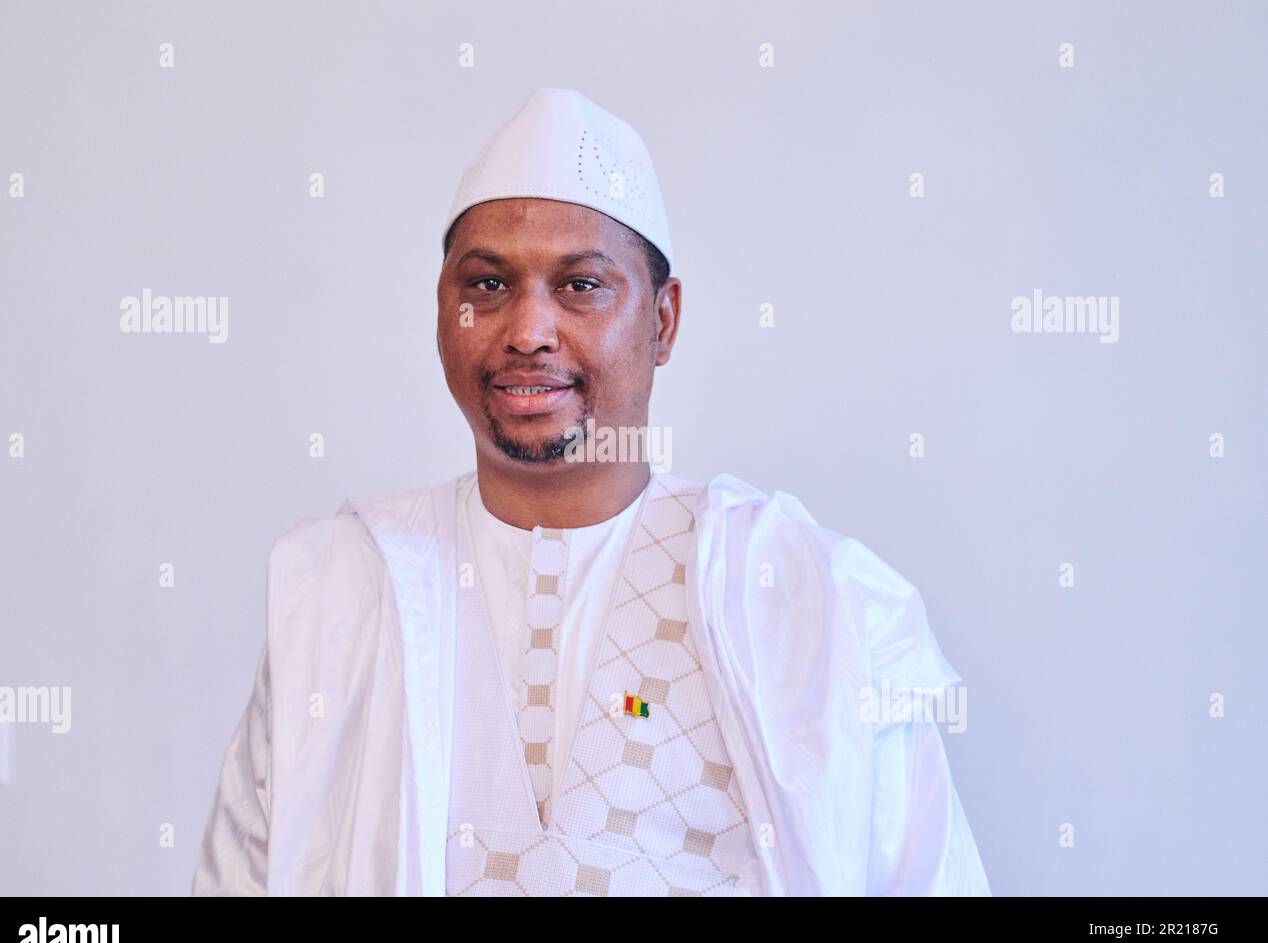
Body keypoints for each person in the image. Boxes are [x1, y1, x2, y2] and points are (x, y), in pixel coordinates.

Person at [191, 87, 991, 896]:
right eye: (489, 285)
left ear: (665, 321)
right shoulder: (342, 592)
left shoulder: (802, 603)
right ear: (442, 309)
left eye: (580, 286)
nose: (528, 330)